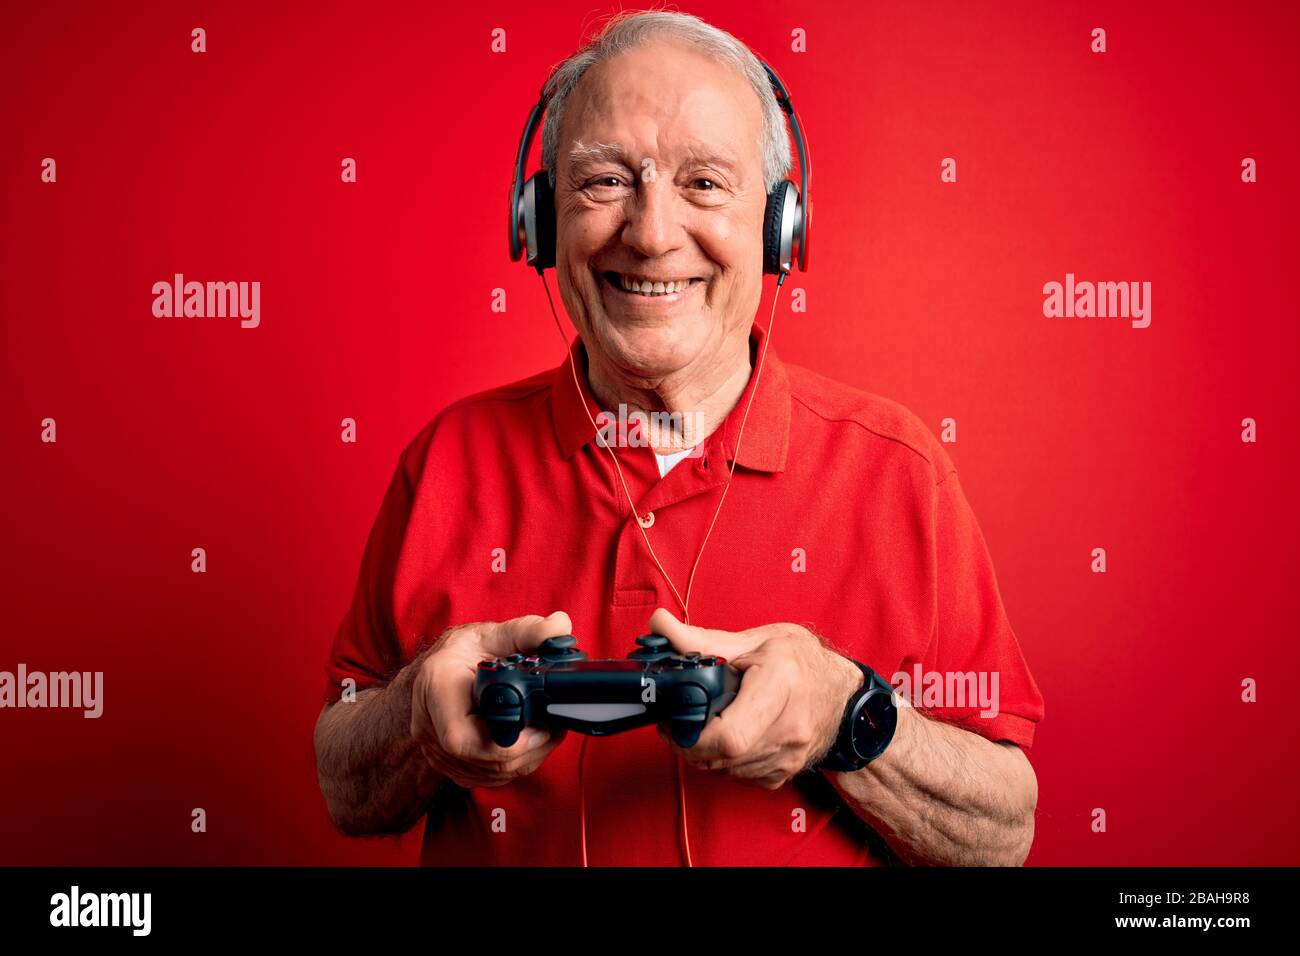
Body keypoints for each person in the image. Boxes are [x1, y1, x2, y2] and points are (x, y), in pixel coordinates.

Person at [314, 9, 1044, 866]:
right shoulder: (446, 462)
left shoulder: (899, 472)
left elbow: (1004, 833)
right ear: (538, 221)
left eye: (704, 183)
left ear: (781, 227)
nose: (653, 234)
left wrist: (846, 716)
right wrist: (414, 719)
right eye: (604, 181)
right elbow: (343, 781)